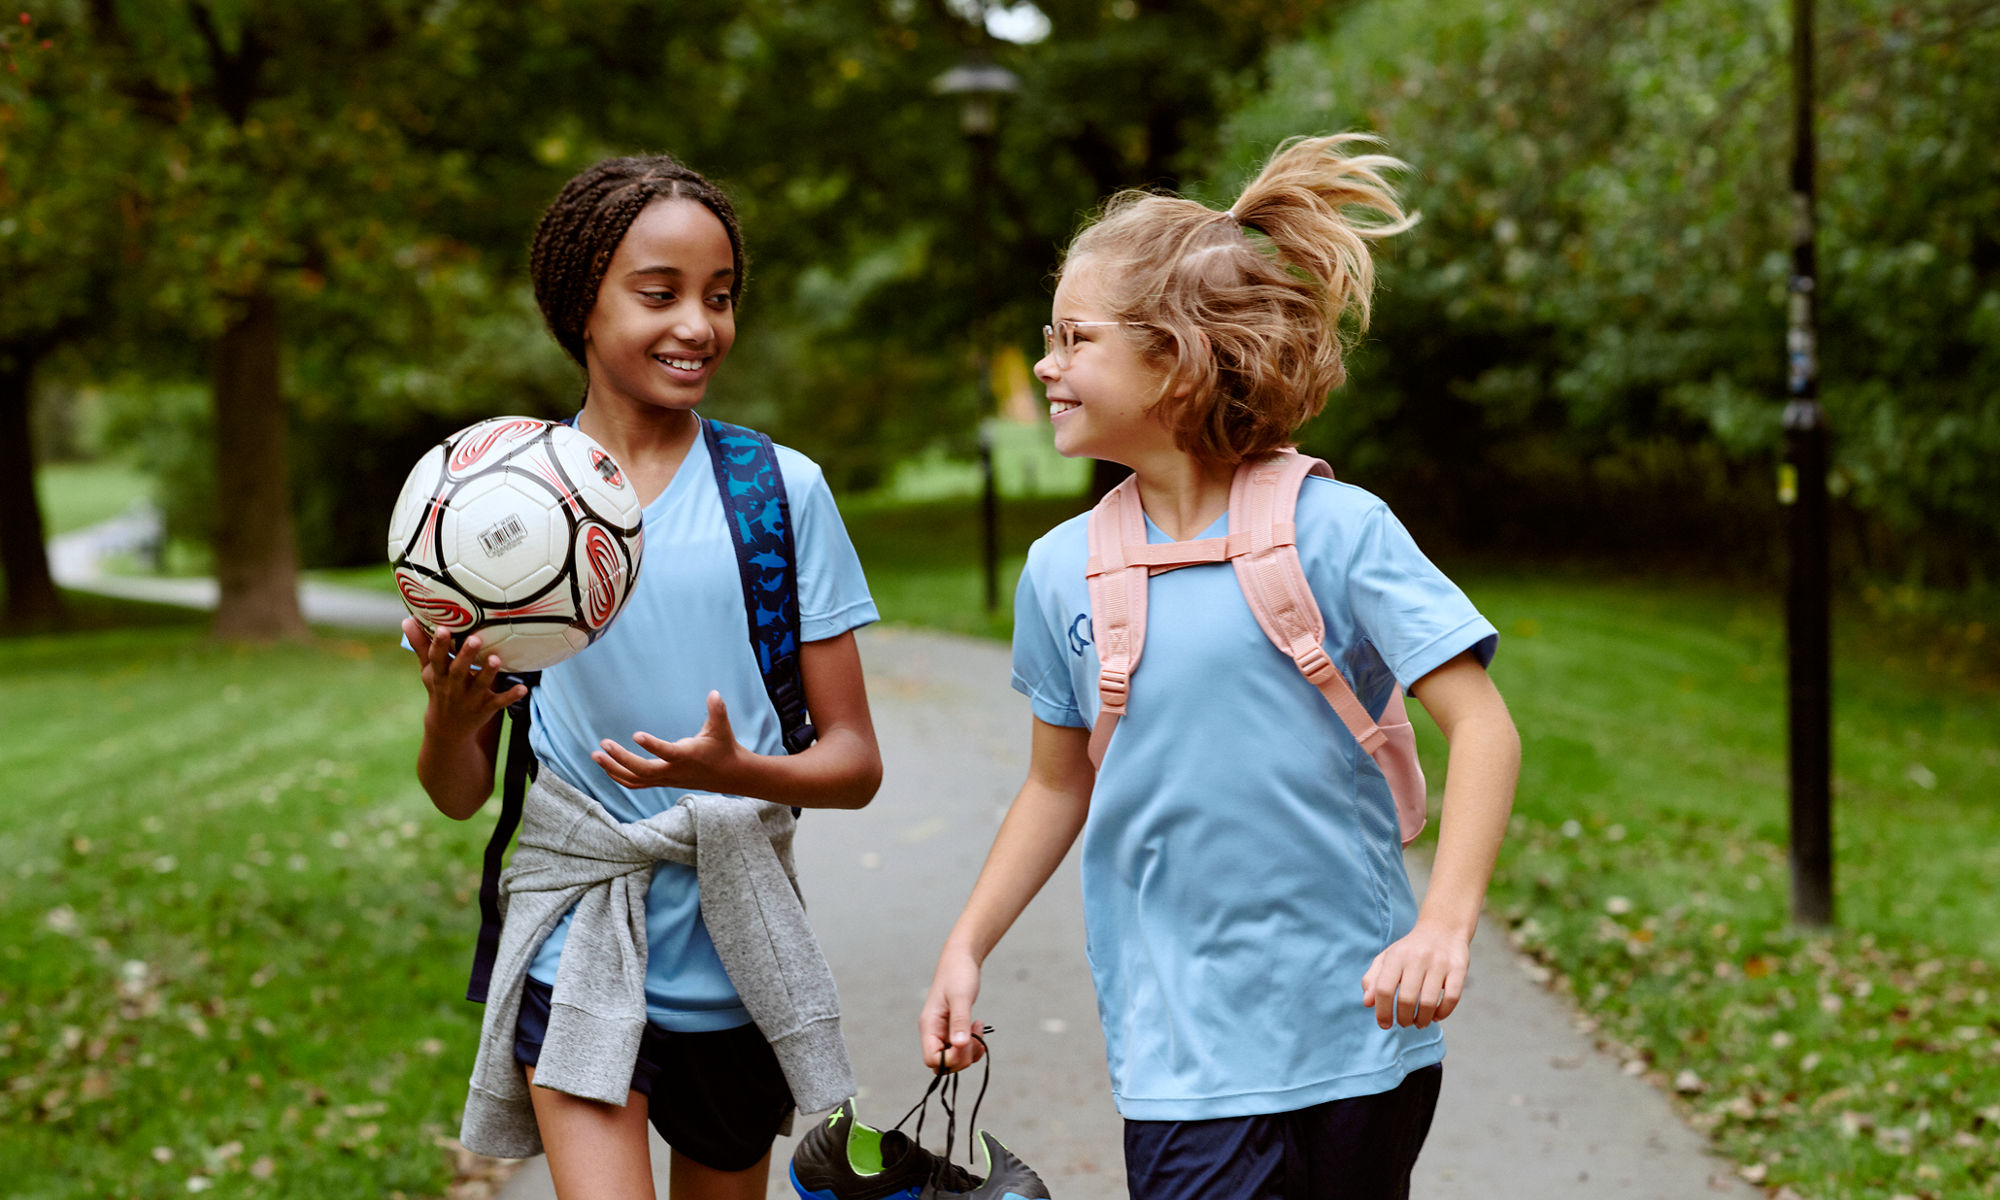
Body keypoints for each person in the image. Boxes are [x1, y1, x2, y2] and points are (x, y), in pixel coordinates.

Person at [918, 134, 1521, 1200]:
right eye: (1048, 338)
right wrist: (966, 944)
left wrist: (1443, 925)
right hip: (1178, 1054)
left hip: (1361, 1034)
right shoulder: (1059, 570)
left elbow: (1482, 727)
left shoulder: (1338, 531)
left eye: (1074, 338)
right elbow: (1056, 784)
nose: (1046, 365)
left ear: (1177, 357)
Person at [405, 155, 883, 1200]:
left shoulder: (779, 492)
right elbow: (458, 793)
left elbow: (853, 766)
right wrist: (448, 718)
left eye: (719, 296)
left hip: (737, 948)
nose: (698, 326)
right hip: (575, 933)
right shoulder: (496, 508)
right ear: (581, 305)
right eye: (659, 294)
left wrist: (739, 772)